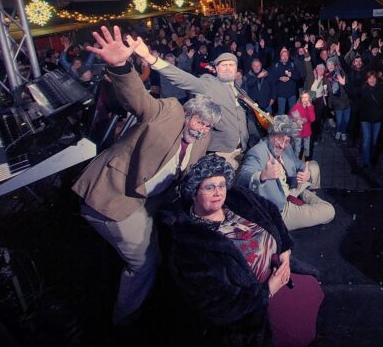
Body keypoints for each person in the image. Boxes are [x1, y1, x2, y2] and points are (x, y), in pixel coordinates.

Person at [72, 26, 222, 325]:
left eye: (208, 126)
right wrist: (119, 66)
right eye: (199, 122)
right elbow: (138, 98)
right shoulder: (168, 112)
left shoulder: (202, 138)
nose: (201, 129)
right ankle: (124, 320)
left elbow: (187, 173)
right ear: (189, 114)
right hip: (115, 196)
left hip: (149, 200)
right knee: (144, 263)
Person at [165, 154, 324, 346]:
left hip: (281, 269)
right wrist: (268, 290)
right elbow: (218, 306)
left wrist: (285, 251)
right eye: (209, 187)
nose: (218, 193)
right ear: (193, 193)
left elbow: (271, 212)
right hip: (253, 309)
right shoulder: (189, 246)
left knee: (313, 292)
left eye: (221, 185)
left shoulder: (237, 197)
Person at [133, 39, 249, 169]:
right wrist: (152, 59)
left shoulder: (241, 91)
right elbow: (184, 79)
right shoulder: (209, 83)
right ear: (216, 68)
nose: (228, 68)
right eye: (224, 65)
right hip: (221, 152)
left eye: (231, 65)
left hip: (242, 151)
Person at [235, 115, 334, 231]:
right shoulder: (257, 153)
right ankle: (306, 197)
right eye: (279, 139)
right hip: (279, 210)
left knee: (313, 166)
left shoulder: (286, 147)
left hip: (288, 190)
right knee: (329, 210)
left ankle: (304, 197)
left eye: (286, 141)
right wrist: (262, 176)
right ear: (271, 134)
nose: (282, 145)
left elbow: (297, 163)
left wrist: (306, 173)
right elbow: (242, 178)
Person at [289, 91, 315, 159]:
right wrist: (296, 119)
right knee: (297, 148)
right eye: (303, 97)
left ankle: (307, 160)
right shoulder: (297, 106)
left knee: (307, 147)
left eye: (306, 97)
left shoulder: (311, 107)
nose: (304, 99)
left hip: (307, 130)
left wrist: (309, 108)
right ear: (300, 98)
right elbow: (290, 115)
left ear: (309, 98)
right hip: (298, 131)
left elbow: (312, 119)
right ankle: (296, 161)